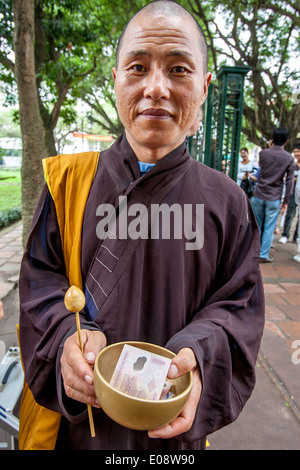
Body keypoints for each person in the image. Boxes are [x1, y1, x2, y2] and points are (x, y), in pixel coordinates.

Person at [18, 0, 264, 450]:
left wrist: (199, 354)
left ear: (205, 86)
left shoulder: (228, 202)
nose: (156, 88)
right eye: (137, 67)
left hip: (171, 429)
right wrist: (63, 344)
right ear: (116, 81)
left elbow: (237, 307)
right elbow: (40, 285)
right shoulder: (66, 184)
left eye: (178, 69)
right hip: (78, 430)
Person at [252, 127, 295, 263]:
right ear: (286, 141)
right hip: (274, 196)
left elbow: (261, 171)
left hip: (259, 194)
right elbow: (289, 183)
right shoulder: (288, 158)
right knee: (269, 227)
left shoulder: (263, 154)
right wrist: (286, 200)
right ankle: (263, 254)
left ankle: (253, 252)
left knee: (256, 225)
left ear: (272, 139)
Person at [278, 143, 300, 244]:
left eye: (298, 151)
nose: (296, 153)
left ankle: (297, 236)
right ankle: (285, 234)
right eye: (295, 151)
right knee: (290, 214)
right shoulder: (293, 165)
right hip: (292, 193)